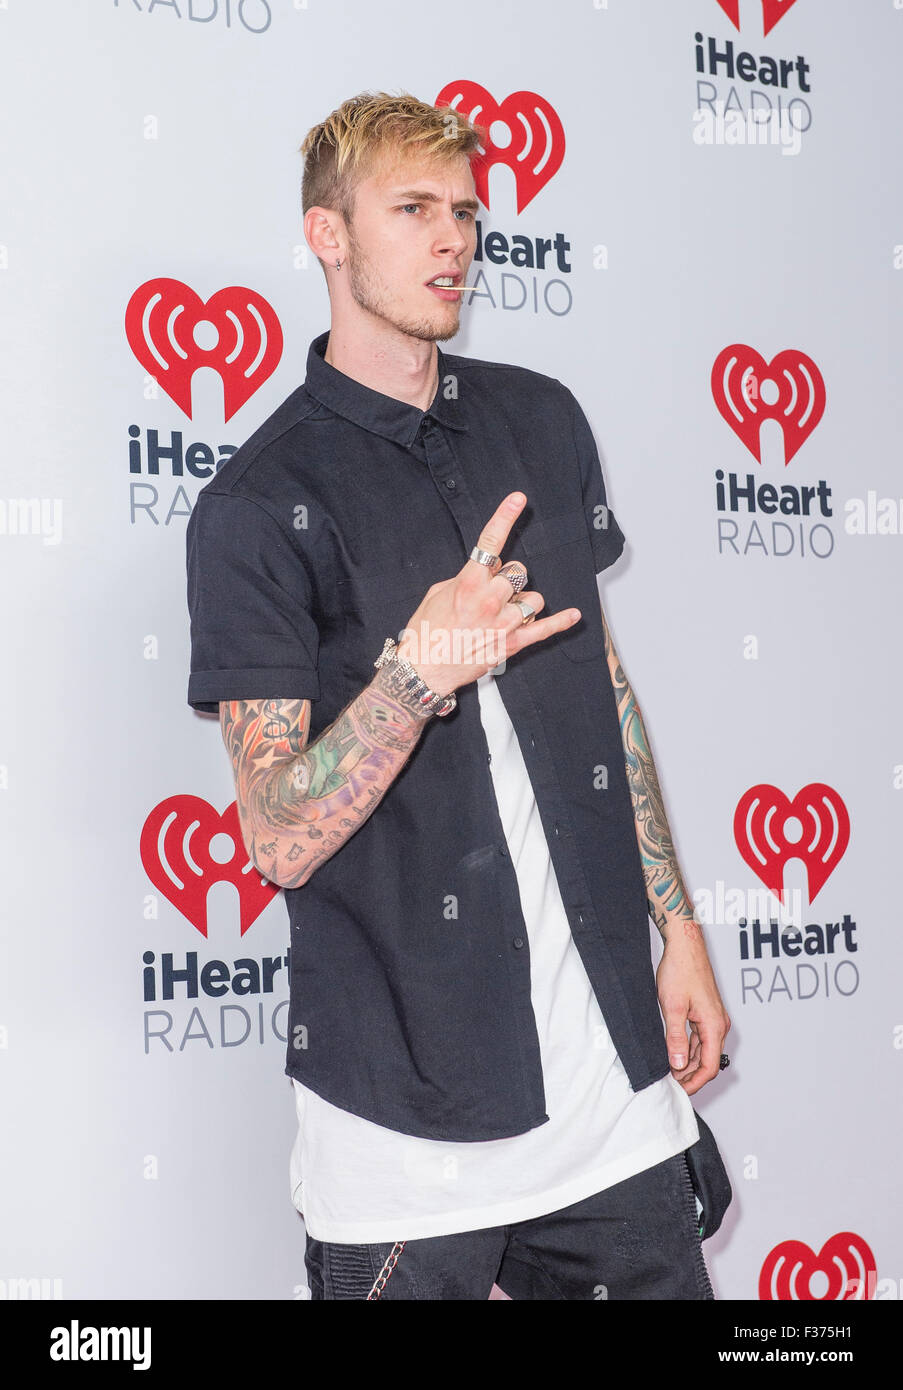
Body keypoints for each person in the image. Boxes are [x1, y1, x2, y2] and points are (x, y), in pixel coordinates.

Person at [185, 91, 731, 1300]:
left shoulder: (543, 419)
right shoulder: (255, 503)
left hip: (610, 1111)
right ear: (328, 235)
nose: (456, 241)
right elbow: (274, 835)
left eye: (469, 214)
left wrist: (677, 928)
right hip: (401, 1142)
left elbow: (603, 682)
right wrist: (415, 674)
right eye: (415, 209)